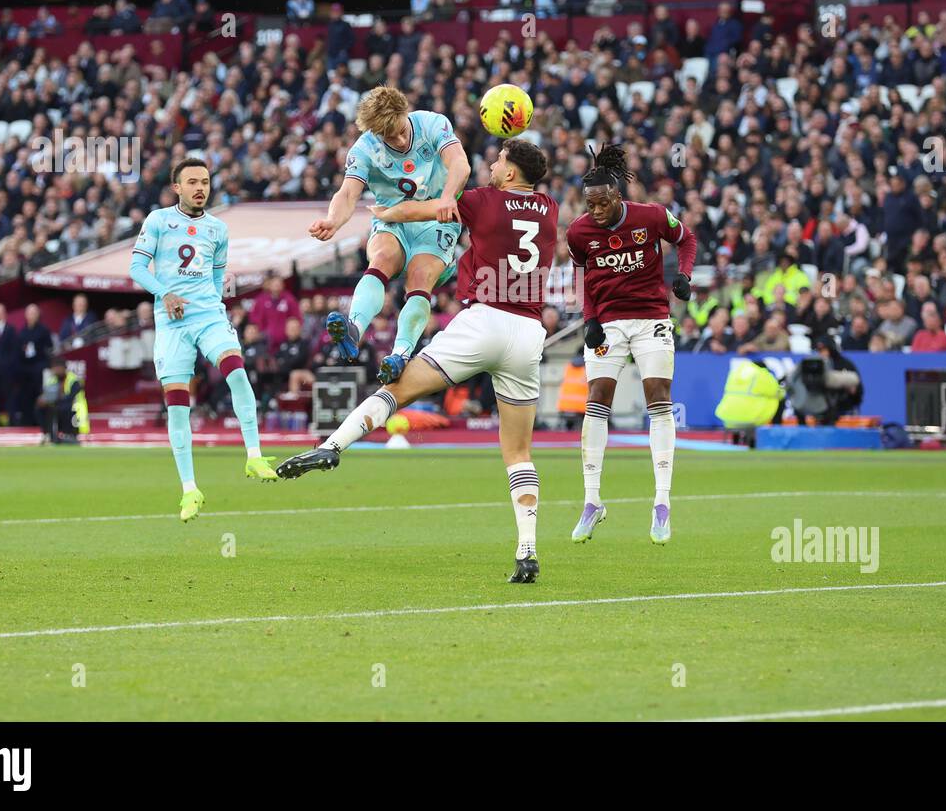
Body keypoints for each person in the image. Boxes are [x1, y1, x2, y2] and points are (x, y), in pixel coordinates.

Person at [278, 140, 556, 584]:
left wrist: (385, 215)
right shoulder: (549, 207)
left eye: (500, 160)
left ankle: (331, 447)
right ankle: (527, 551)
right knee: (519, 452)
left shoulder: (482, 201)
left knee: (398, 389)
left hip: (482, 322)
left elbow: (421, 210)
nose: (492, 164)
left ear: (509, 173)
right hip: (527, 334)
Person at [128, 158, 278, 522]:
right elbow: (136, 268)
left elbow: (216, 277)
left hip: (209, 315)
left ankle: (254, 455)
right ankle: (189, 490)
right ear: (176, 187)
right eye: (192, 181)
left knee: (237, 372)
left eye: (205, 182)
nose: (200, 187)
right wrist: (165, 294)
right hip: (171, 322)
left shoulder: (218, 229)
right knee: (178, 404)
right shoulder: (158, 221)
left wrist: (214, 306)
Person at [565, 145, 697, 545]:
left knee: (658, 397)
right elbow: (587, 277)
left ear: (617, 197)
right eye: (590, 204)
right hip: (607, 324)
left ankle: (661, 503)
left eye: (602, 203)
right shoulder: (578, 231)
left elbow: (686, 239)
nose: (596, 211)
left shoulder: (652, 216)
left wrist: (684, 276)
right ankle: (592, 502)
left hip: (651, 319)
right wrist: (589, 319)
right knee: (596, 400)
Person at [310, 86, 470, 385]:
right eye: (387, 137)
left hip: (436, 217)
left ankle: (400, 354)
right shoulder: (364, 148)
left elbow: (459, 162)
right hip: (393, 218)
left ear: (404, 112)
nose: (397, 140)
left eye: (399, 131)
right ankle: (354, 328)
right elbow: (348, 192)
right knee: (381, 257)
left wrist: (448, 196)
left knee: (420, 278)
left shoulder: (433, 123)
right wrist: (334, 220)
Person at [17, 303, 53, 427]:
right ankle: (27, 422)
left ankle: (42, 422)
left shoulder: (44, 330)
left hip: (39, 368)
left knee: (41, 397)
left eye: (34, 313)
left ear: (38, 315)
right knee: (26, 397)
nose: (31, 316)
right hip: (25, 370)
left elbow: (49, 350)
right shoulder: (22, 331)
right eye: (29, 313)